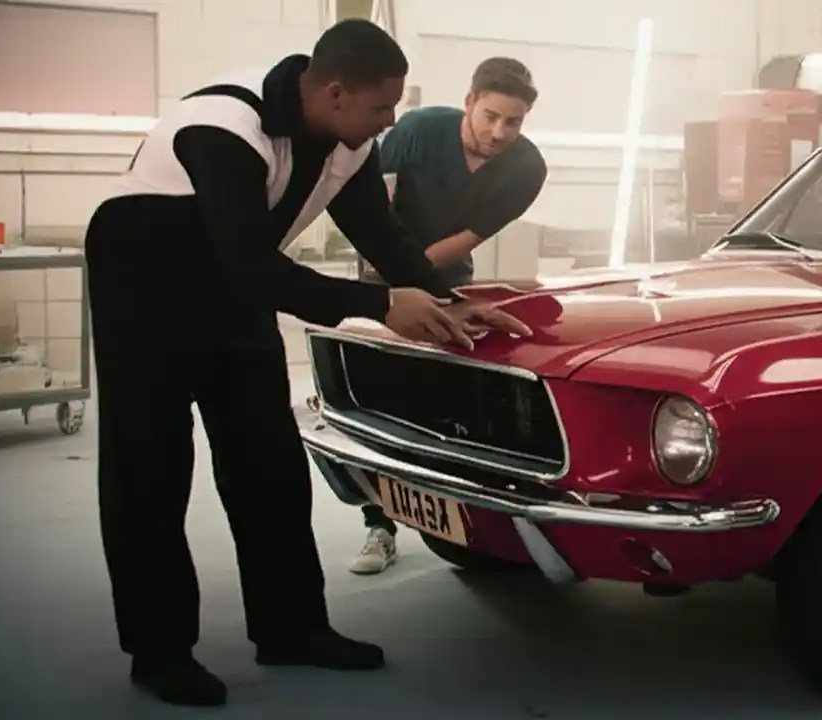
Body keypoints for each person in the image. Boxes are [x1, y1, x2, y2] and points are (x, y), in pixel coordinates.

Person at [84, 20, 529, 708]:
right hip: (144, 281)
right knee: (150, 467)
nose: (391, 120)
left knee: (268, 460)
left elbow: (383, 234)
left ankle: (291, 627)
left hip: (234, 287)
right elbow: (245, 263)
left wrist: (452, 302)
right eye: (382, 107)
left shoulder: (343, 143)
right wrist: (380, 305)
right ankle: (160, 651)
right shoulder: (224, 125)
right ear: (334, 90)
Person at [348, 57, 548, 575]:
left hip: (448, 279)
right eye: (490, 116)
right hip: (379, 268)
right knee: (380, 397)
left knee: (445, 401)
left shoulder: (527, 168)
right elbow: (374, 204)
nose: (499, 132)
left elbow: (466, 239)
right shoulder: (415, 132)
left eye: (513, 122)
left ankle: (464, 520)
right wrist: (388, 279)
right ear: (469, 102)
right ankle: (379, 525)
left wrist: (425, 288)